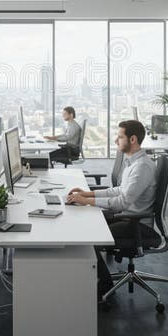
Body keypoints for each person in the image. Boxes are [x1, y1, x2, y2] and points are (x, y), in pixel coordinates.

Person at [67, 120, 156, 298]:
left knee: (89, 236)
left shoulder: (142, 167)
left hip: (137, 224)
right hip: (128, 217)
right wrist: (88, 194)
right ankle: (95, 281)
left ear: (132, 139)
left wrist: (86, 202)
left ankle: (105, 287)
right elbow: (117, 190)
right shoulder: (133, 163)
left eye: (120, 137)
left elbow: (122, 202)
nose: (116, 141)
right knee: (85, 225)